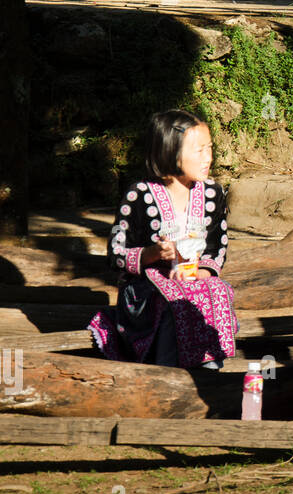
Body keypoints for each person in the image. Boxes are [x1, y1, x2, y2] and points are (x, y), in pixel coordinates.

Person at [88, 110, 238, 369]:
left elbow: (217, 246)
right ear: (172, 152)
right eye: (199, 151)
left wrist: (202, 273)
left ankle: (210, 371)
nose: (208, 158)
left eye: (209, 149)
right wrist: (153, 253)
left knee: (217, 291)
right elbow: (116, 254)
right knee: (173, 300)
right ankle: (168, 371)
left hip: (195, 281)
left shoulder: (213, 193)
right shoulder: (139, 196)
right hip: (144, 292)